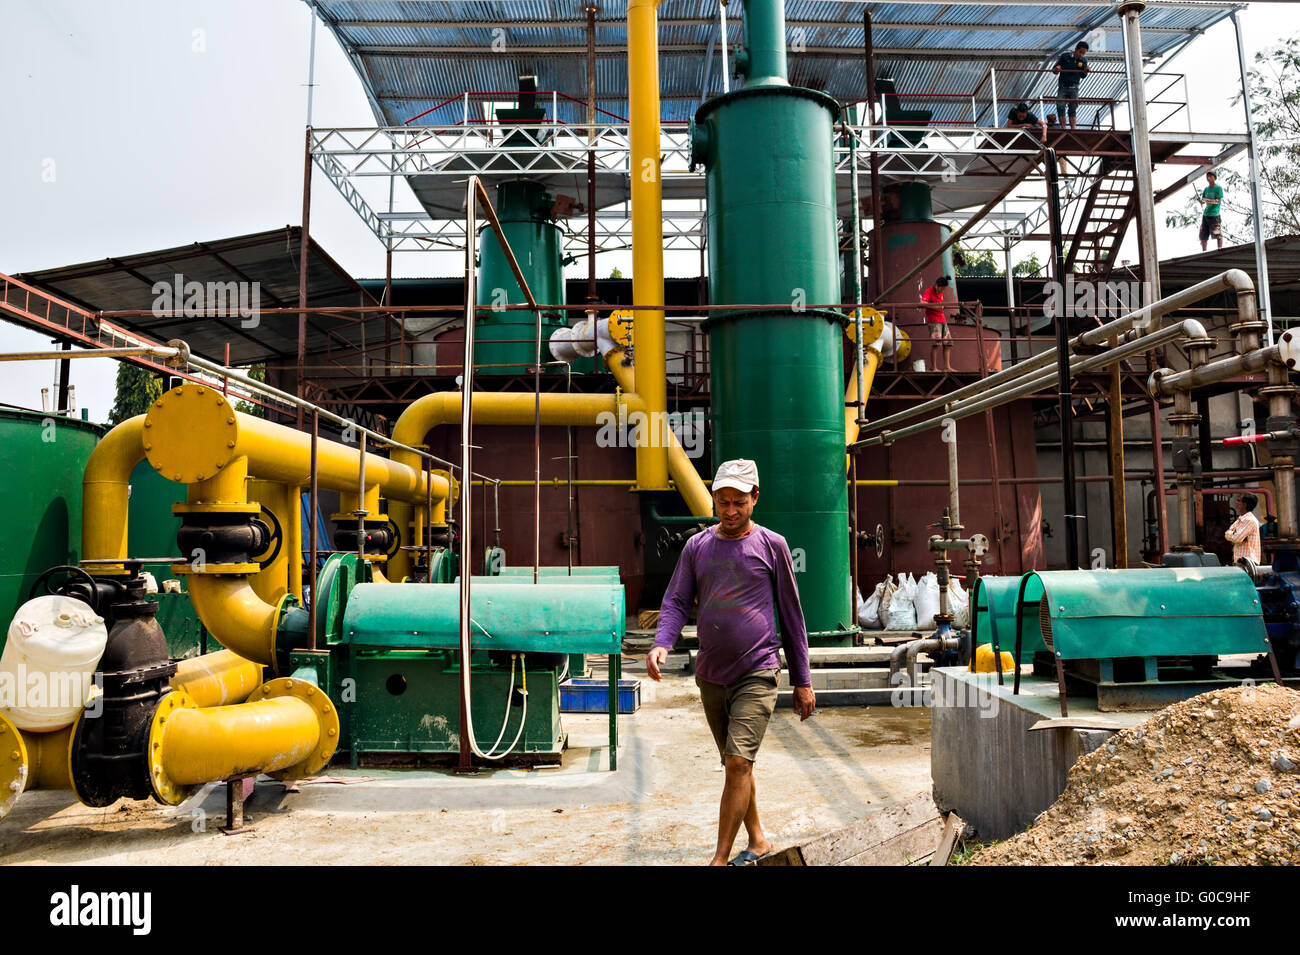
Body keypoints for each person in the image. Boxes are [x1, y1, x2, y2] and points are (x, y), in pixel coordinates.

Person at [647, 458, 815, 866]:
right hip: (711, 674)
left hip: (758, 669)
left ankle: (719, 860)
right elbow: (676, 600)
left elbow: (792, 615)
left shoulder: (772, 546)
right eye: (722, 502)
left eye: (738, 502)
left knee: (738, 761)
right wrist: (661, 642)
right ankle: (757, 838)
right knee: (736, 763)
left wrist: (802, 679)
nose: (730, 511)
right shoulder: (697, 547)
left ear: (754, 498)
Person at [1052, 42, 1090, 129]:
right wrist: (1057, 69)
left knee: (1073, 108)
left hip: (1074, 87)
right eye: (1080, 52)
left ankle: (1073, 128)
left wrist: (1086, 71)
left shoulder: (1083, 60)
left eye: (1083, 53)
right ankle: (1063, 128)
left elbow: (1083, 76)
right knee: (1060, 106)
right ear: (1076, 49)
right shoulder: (1065, 56)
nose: (1081, 55)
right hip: (1063, 86)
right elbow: (1054, 70)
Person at [921, 275, 954, 372]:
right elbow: (922, 303)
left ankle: (947, 367)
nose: (942, 291)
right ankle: (934, 368)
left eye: (944, 289)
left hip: (942, 319)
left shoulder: (942, 293)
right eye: (942, 288)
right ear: (937, 286)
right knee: (936, 344)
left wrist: (940, 307)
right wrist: (936, 307)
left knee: (948, 343)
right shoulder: (929, 291)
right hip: (933, 321)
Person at [1225, 492, 1262, 564]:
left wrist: (1233, 533)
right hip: (1242, 561)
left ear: (1244, 505)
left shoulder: (1249, 520)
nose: (1236, 502)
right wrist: (1232, 533)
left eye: (1239, 500)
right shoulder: (1241, 519)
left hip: (1248, 562)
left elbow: (1237, 538)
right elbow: (1227, 533)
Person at [1199, 171, 1225, 251]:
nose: (1208, 178)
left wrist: (1207, 200)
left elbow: (1218, 201)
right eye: (1207, 176)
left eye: (1210, 176)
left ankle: (1219, 249)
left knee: (1217, 234)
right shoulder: (1206, 189)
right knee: (1203, 236)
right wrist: (1200, 201)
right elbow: (1203, 201)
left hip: (1214, 215)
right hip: (1206, 215)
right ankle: (1204, 252)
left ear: (1214, 177)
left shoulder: (1218, 188)